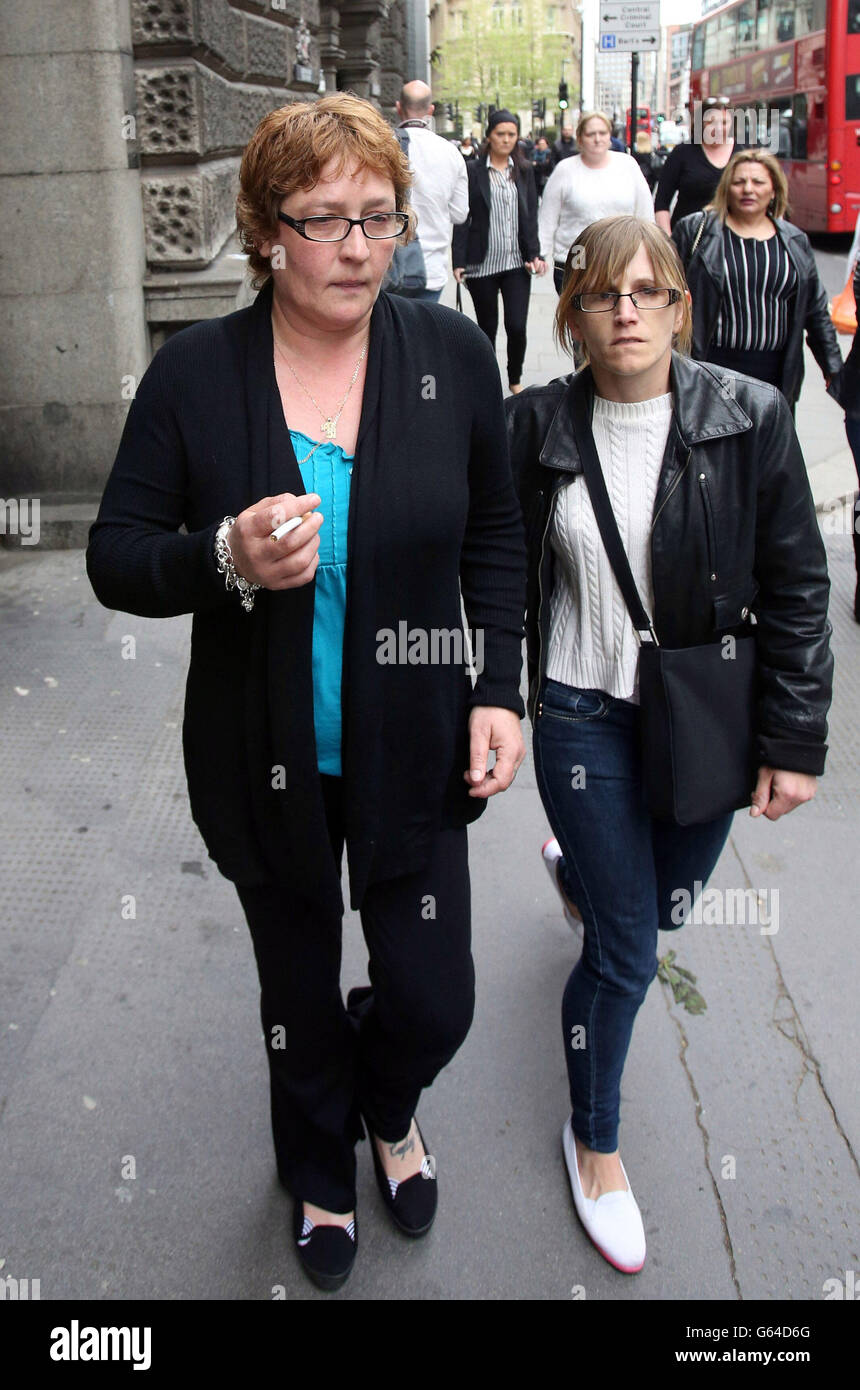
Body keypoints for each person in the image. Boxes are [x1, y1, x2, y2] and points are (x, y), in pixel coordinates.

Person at [86, 93, 527, 1293]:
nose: (354, 247)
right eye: (321, 219)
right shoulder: (194, 374)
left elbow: (494, 528)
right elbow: (115, 555)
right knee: (296, 997)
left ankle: (390, 1108)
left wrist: (498, 683)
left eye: (376, 218)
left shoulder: (446, 354)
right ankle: (320, 1162)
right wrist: (220, 556)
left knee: (433, 1000)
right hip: (260, 751)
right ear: (265, 231)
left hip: (416, 744)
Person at [506, 214, 832, 1274]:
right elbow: (491, 568)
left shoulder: (749, 416)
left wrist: (793, 739)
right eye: (604, 294)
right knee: (625, 952)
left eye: (648, 292)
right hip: (576, 714)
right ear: (573, 314)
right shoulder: (531, 427)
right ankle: (592, 1142)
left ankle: (580, 875)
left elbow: (795, 589)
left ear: (679, 308)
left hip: (702, 717)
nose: (627, 310)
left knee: (664, 907)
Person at [673, 149, 843, 415]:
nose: (748, 189)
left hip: (775, 373)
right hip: (713, 368)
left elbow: (816, 312)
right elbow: (668, 296)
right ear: (727, 187)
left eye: (758, 182)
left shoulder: (795, 241)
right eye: (739, 182)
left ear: (774, 190)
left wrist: (833, 368)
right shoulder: (696, 231)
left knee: (769, 453)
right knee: (717, 452)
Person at [452, 108, 546, 394]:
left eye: (511, 135)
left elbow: (530, 215)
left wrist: (535, 253)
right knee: (486, 329)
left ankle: (515, 379)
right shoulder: (473, 171)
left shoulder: (525, 170)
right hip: (482, 264)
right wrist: (459, 259)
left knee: (517, 326)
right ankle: (488, 382)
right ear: (489, 136)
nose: (506, 140)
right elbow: (462, 218)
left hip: (516, 263)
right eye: (500, 134)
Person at [539, 110, 655, 295]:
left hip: (620, 258)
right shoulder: (565, 170)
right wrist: (541, 253)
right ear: (580, 138)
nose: (597, 139)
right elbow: (548, 217)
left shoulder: (628, 166)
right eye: (590, 134)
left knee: (613, 318)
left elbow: (645, 214)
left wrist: (649, 252)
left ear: (610, 136)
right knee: (580, 320)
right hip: (576, 258)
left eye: (602, 133)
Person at [393, 79, 468, 301]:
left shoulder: (383, 145)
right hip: (431, 268)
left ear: (399, 108)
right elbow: (459, 214)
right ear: (430, 110)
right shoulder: (450, 152)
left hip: (388, 267)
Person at [655, 95, 739, 233]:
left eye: (724, 123)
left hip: (731, 241)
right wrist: (668, 243)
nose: (717, 128)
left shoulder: (743, 153)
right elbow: (662, 202)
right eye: (710, 122)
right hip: (687, 240)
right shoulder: (682, 153)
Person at [531, 134, 553, 200]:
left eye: (543, 144)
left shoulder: (549, 153)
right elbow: (531, 163)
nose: (541, 145)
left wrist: (537, 164)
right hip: (535, 178)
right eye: (540, 144)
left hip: (545, 177)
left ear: (547, 144)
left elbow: (546, 165)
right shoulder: (534, 153)